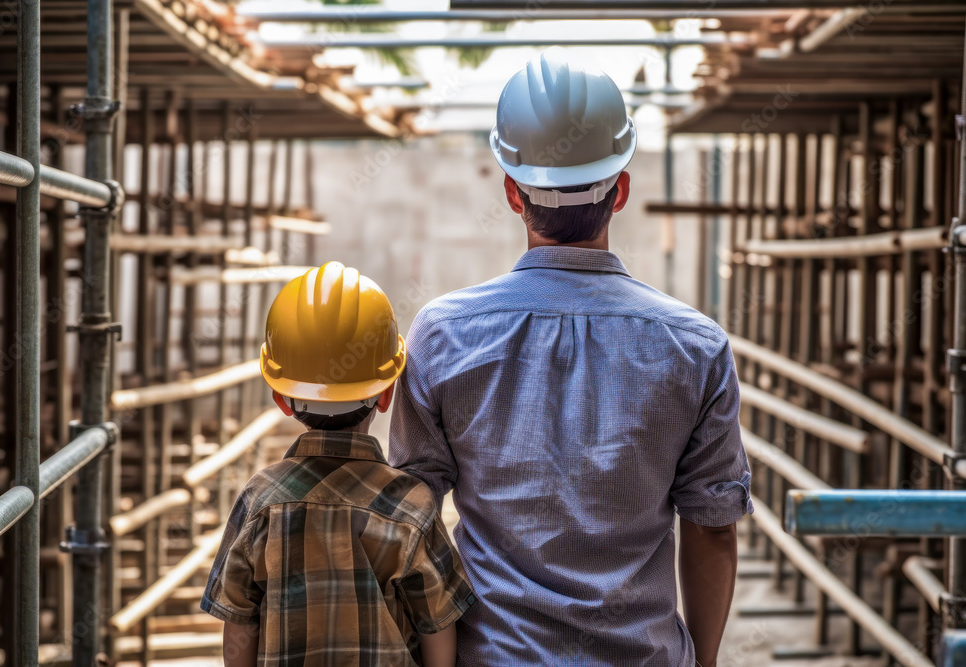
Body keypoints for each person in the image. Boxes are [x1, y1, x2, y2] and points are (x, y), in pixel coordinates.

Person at [389, 48, 752, 667]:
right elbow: (713, 526)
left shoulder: (443, 334)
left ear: (511, 191)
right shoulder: (696, 346)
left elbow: (410, 520)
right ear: (621, 190)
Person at [201, 262, 476, 667]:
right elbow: (438, 623)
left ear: (282, 399)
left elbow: (238, 622)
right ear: (385, 396)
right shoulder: (410, 506)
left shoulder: (259, 501)